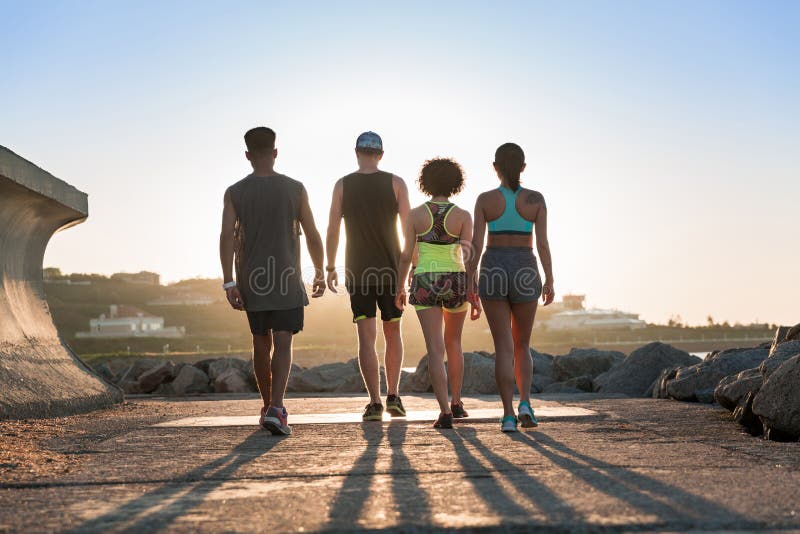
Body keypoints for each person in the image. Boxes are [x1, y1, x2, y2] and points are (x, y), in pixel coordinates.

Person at [219, 126, 325, 436]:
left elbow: (226, 236)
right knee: (284, 341)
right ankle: (277, 408)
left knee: (260, 342)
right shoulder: (296, 188)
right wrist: (319, 270)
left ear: (248, 155)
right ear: (276, 152)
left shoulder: (235, 192)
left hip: (252, 279)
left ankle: (267, 406)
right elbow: (313, 231)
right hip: (286, 278)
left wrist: (229, 281)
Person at [467, 143, 554, 433]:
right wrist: (550, 278)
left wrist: (470, 279)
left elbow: (476, 247)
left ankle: (507, 416)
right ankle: (526, 403)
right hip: (526, 269)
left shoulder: (485, 200)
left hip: (493, 268)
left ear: (496, 167)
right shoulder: (536, 200)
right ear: (523, 167)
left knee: (503, 347)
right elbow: (542, 244)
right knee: (522, 345)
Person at [326, 131, 410, 421]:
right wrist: (406, 273)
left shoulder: (342, 185)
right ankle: (394, 395)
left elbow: (333, 228)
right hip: (391, 270)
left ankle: (375, 403)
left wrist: (329, 266)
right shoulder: (396, 183)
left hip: (358, 270)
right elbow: (409, 231)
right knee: (393, 331)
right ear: (381, 155)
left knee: (366, 337)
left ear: (356, 152)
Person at [395, 158, 478, 429]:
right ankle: (457, 402)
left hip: (424, 281)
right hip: (454, 280)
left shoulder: (415, 215)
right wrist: (471, 289)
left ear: (426, 182)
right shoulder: (463, 216)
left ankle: (443, 411)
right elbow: (467, 257)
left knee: (434, 348)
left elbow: (407, 254)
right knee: (454, 343)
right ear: (455, 183)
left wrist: (399, 286)